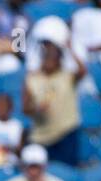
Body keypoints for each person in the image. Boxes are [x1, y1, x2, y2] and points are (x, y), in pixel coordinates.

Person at [22, 38, 85, 167]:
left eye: (54, 56)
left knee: (66, 173)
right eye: (47, 56)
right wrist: (37, 109)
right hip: (40, 137)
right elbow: (25, 108)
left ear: (59, 59)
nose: (49, 60)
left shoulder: (67, 76)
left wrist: (70, 49)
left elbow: (83, 70)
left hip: (65, 134)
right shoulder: (32, 79)